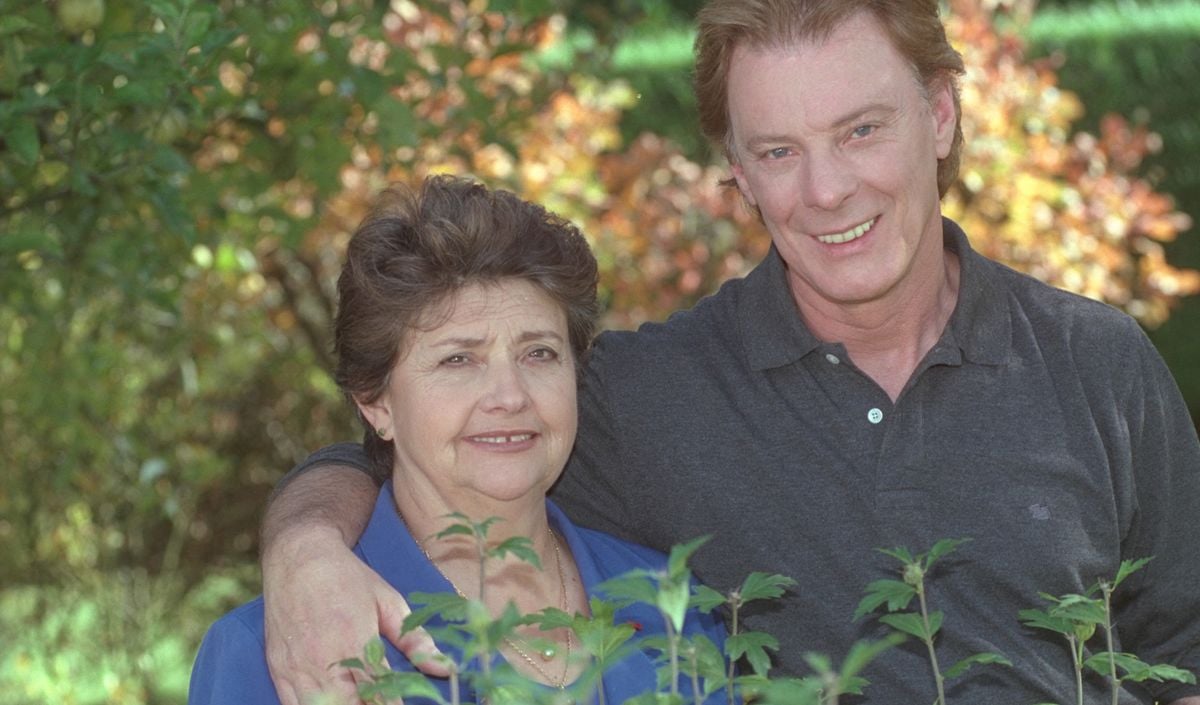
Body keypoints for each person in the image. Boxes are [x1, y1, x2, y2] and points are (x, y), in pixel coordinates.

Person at [255, 2, 1200, 704]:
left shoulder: (1097, 363)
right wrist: (305, 552)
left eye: (861, 130)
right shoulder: (650, 396)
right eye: (779, 151)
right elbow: (412, 443)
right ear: (739, 171)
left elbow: (1185, 650)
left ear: (941, 115)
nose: (826, 190)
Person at [189, 175, 729, 705]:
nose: (509, 395)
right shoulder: (272, 651)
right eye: (457, 359)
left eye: (538, 353)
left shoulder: (675, 605)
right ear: (375, 401)